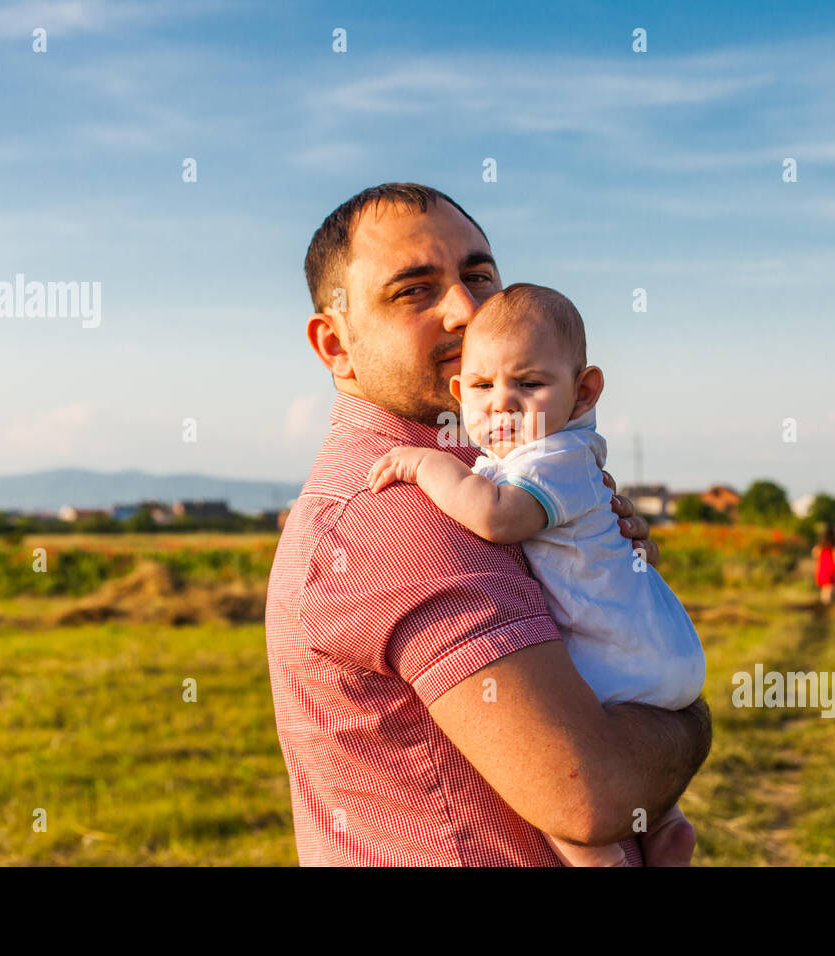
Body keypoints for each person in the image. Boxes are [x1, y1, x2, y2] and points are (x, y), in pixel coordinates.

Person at [265, 183, 711, 865]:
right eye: (413, 291)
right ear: (335, 346)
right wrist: (687, 716)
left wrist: (608, 564)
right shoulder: (401, 509)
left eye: (477, 275)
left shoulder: (493, 469)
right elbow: (591, 792)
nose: (467, 310)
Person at [368, 283, 704, 866]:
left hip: (621, 660)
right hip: (647, 653)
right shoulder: (545, 456)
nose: (501, 403)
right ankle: (664, 829)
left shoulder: (555, 459)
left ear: (583, 392)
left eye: (529, 383)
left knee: (561, 804)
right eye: (481, 386)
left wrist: (428, 464)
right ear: (459, 392)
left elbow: (498, 518)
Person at [812, 522, 835, 605]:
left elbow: (814, 554)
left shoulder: (820, 546)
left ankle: (825, 604)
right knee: (833, 588)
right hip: (832, 569)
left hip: (822, 568)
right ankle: (830, 604)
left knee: (825, 589)